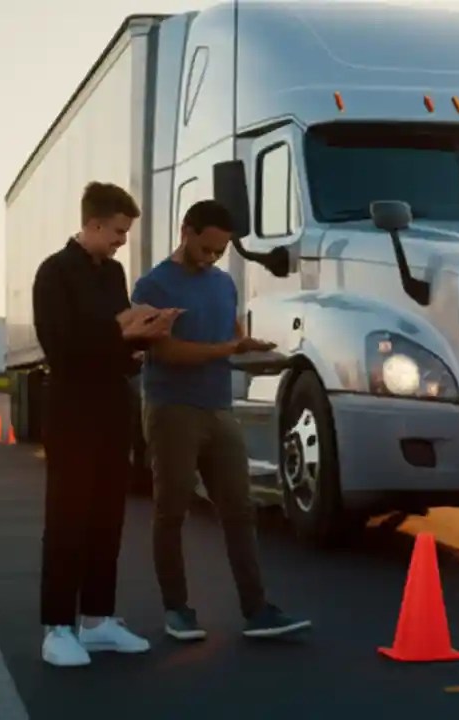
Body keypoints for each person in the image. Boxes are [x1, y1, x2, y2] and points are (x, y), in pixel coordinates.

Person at [132, 199, 312, 640]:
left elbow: (228, 334)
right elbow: (168, 352)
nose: (213, 258)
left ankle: (257, 611)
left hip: (219, 409)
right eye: (207, 249)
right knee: (171, 511)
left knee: (239, 510)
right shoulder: (152, 286)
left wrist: (251, 348)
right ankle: (177, 610)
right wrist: (227, 351)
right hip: (172, 409)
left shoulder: (223, 283)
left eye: (220, 251)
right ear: (186, 232)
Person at [32, 181, 182, 668]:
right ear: (94, 223)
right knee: (67, 518)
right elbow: (61, 346)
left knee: (107, 518)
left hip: (112, 406)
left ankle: (97, 620)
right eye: (118, 231)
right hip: (72, 408)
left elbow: (116, 346)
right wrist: (120, 331)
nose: (122, 240)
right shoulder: (53, 273)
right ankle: (57, 628)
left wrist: (146, 334)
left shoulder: (114, 273)